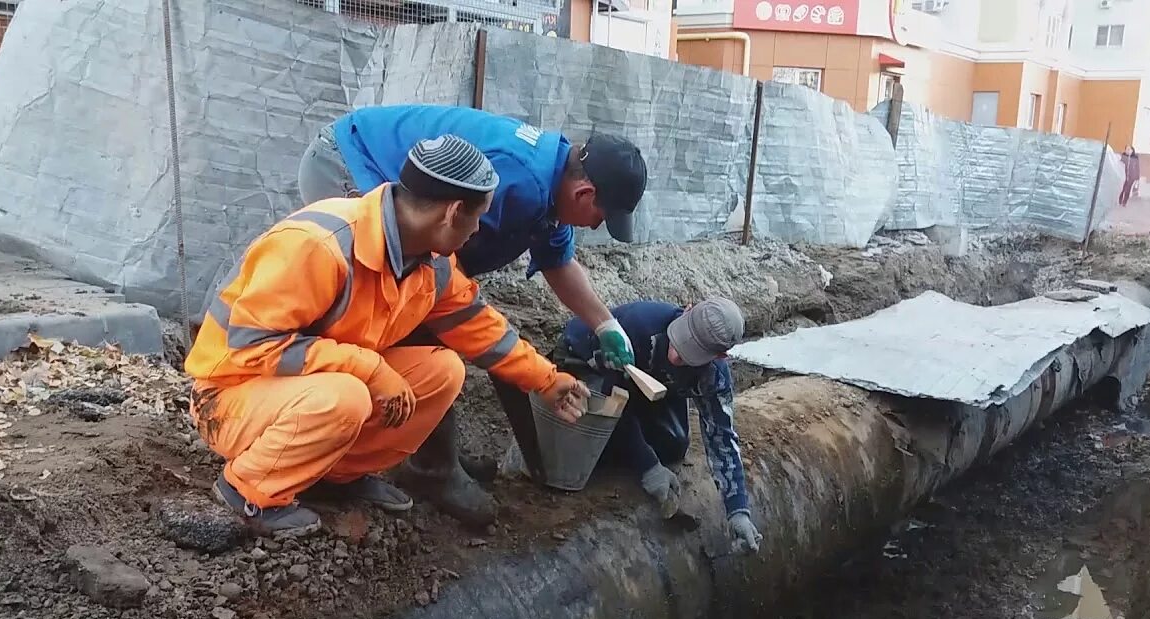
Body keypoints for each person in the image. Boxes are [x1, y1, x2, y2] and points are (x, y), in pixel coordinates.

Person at [186, 135, 590, 537]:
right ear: (452, 212)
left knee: (442, 371)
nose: (477, 230)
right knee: (347, 396)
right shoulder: (321, 246)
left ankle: (333, 475)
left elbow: (479, 326)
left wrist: (547, 380)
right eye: (477, 217)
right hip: (228, 397)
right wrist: (370, 367)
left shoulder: (433, 260)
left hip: (301, 391)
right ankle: (249, 490)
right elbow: (253, 344)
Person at [296, 103, 648, 528]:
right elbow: (444, 289)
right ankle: (424, 467)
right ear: (584, 194)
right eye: (601, 218)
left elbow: (557, 262)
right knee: (408, 312)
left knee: (436, 314)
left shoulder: (550, 185)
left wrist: (604, 323)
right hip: (351, 160)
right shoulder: (521, 180)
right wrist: (509, 355)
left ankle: (422, 448)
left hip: (372, 158)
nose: (595, 228)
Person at [548, 298, 763, 554]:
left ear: (719, 356)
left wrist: (737, 510)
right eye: (680, 340)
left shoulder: (713, 375)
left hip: (645, 383)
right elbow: (612, 401)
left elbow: (722, 437)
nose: (675, 355)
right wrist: (648, 465)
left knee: (674, 444)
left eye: (689, 353)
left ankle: (622, 449)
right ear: (688, 309)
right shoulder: (638, 325)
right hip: (586, 364)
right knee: (590, 443)